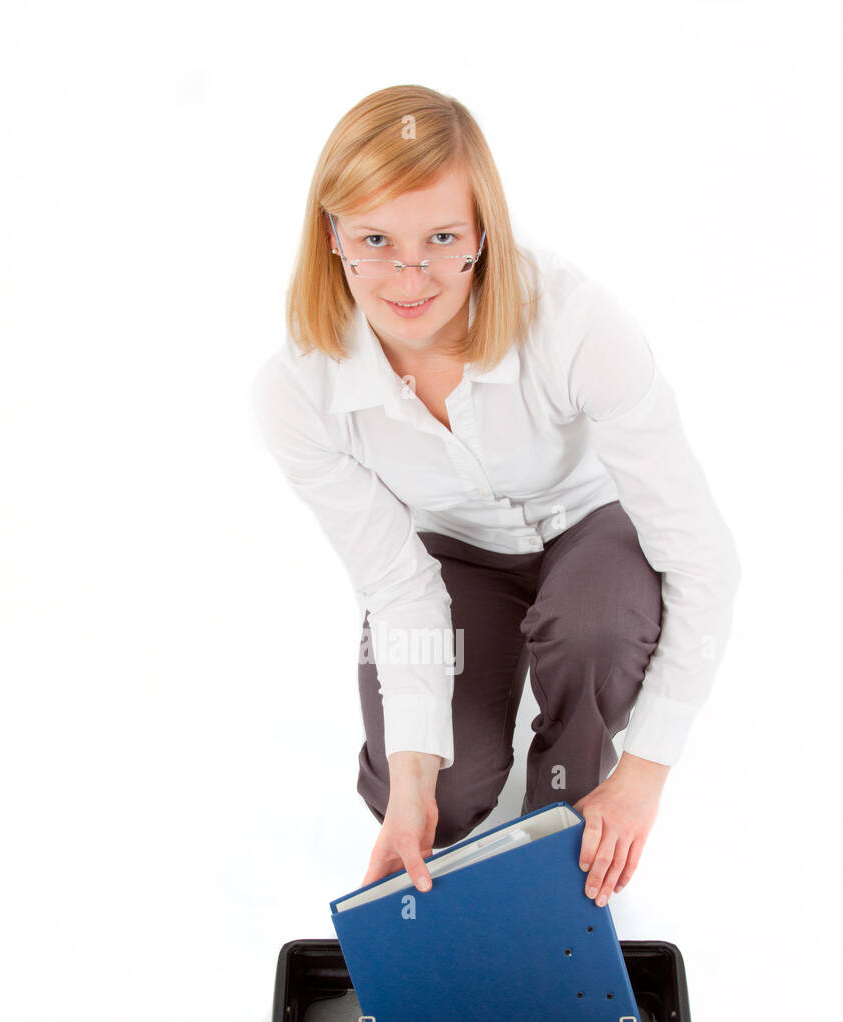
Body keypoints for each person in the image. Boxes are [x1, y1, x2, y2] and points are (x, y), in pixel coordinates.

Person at [250, 83, 741, 905]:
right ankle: (445, 787)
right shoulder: (296, 391)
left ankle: (565, 799)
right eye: (376, 240)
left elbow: (704, 558)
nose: (412, 277)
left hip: (590, 527)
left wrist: (645, 771)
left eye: (443, 237)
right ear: (332, 237)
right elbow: (397, 587)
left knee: (590, 630)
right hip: (451, 556)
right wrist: (412, 786)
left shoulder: (576, 324)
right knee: (443, 798)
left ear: (483, 229)